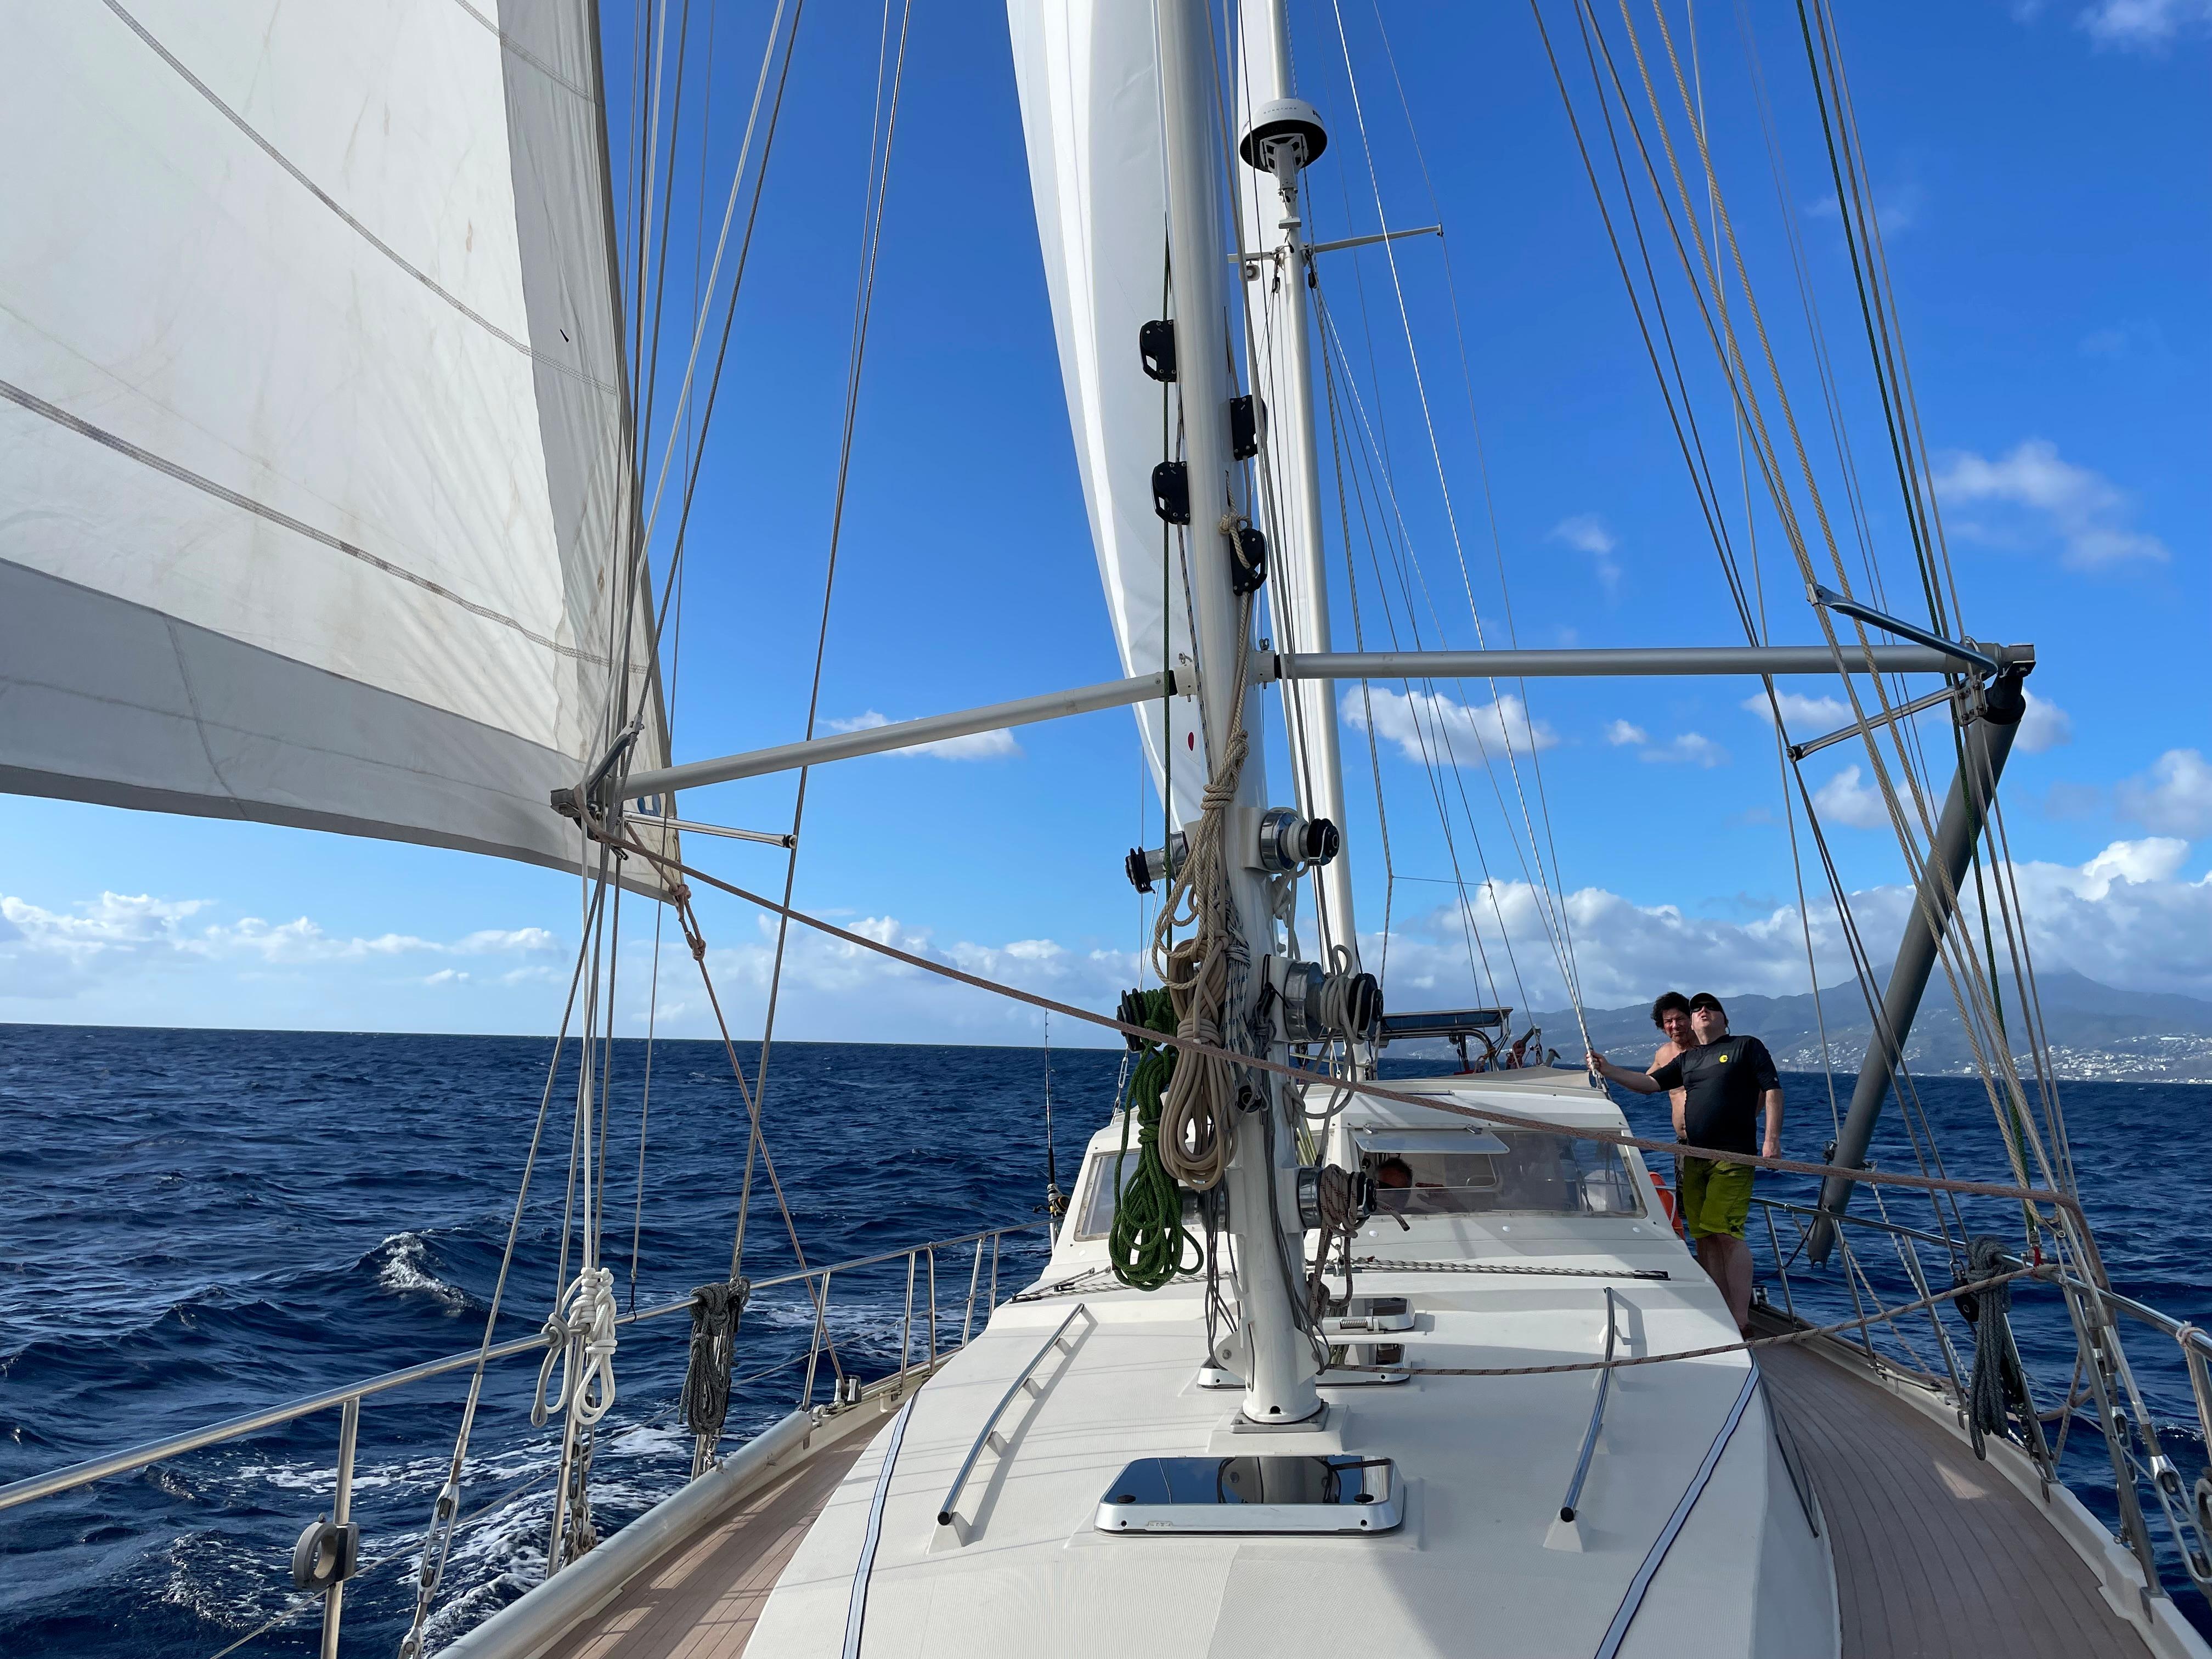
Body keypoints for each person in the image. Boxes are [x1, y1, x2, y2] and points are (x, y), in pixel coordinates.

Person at [1588, 992, 1781, 1336]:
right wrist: (1608, 1068)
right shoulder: (1687, 1059)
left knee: (1726, 1231)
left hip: (1732, 1156)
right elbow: (1649, 1084)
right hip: (1692, 1156)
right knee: (1703, 1233)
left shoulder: (1746, 1046)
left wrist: (1770, 1140)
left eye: (1710, 1008)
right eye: (1697, 1010)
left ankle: (1740, 1317)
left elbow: (1771, 1090)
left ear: (1724, 1018)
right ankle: (1719, 1306)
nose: (1702, 1012)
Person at [1647, 991, 1696, 1141]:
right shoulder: (1664, 1054)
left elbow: (1758, 1086)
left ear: (1691, 1019)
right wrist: (1605, 1070)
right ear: (1662, 1026)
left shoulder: (1709, 1049)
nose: (1675, 1026)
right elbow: (1644, 1084)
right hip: (1683, 1144)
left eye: (1680, 1019)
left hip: (1715, 1142)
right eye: (1669, 1021)